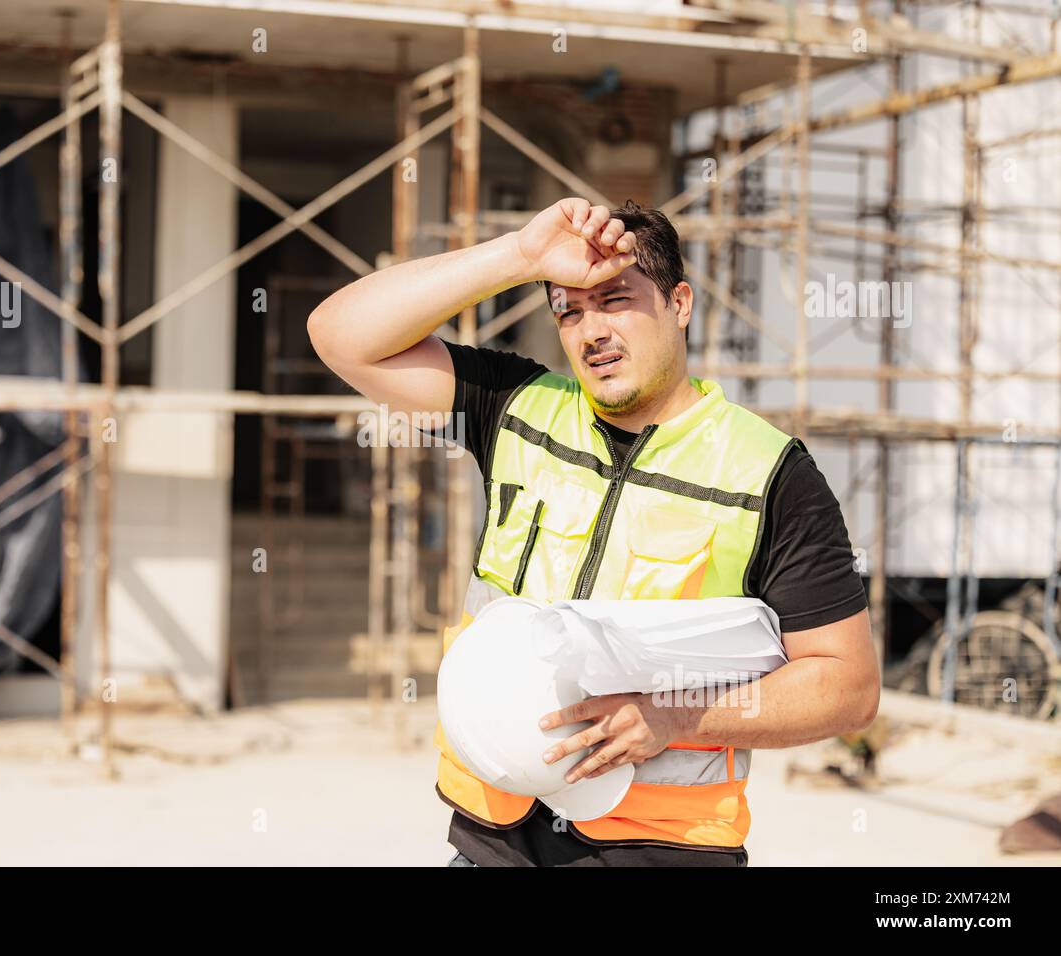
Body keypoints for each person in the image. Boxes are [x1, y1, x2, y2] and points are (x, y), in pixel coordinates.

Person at [308, 198, 879, 867]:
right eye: (569, 310)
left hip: (658, 849)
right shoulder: (517, 406)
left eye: (616, 301)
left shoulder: (768, 473)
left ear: (681, 304)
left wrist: (673, 717)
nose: (591, 331)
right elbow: (340, 335)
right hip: (494, 833)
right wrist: (518, 255)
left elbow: (849, 688)